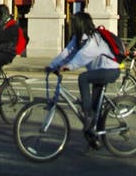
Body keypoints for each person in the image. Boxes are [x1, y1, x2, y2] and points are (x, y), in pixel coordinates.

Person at [48, 11, 121, 142]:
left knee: (83, 78)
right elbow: (66, 53)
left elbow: (83, 55)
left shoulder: (95, 39)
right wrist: (52, 65)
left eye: (74, 23)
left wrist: (68, 66)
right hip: (98, 71)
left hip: (110, 70)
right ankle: (95, 137)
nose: (72, 26)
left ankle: (87, 115)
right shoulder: (77, 38)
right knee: (95, 106)